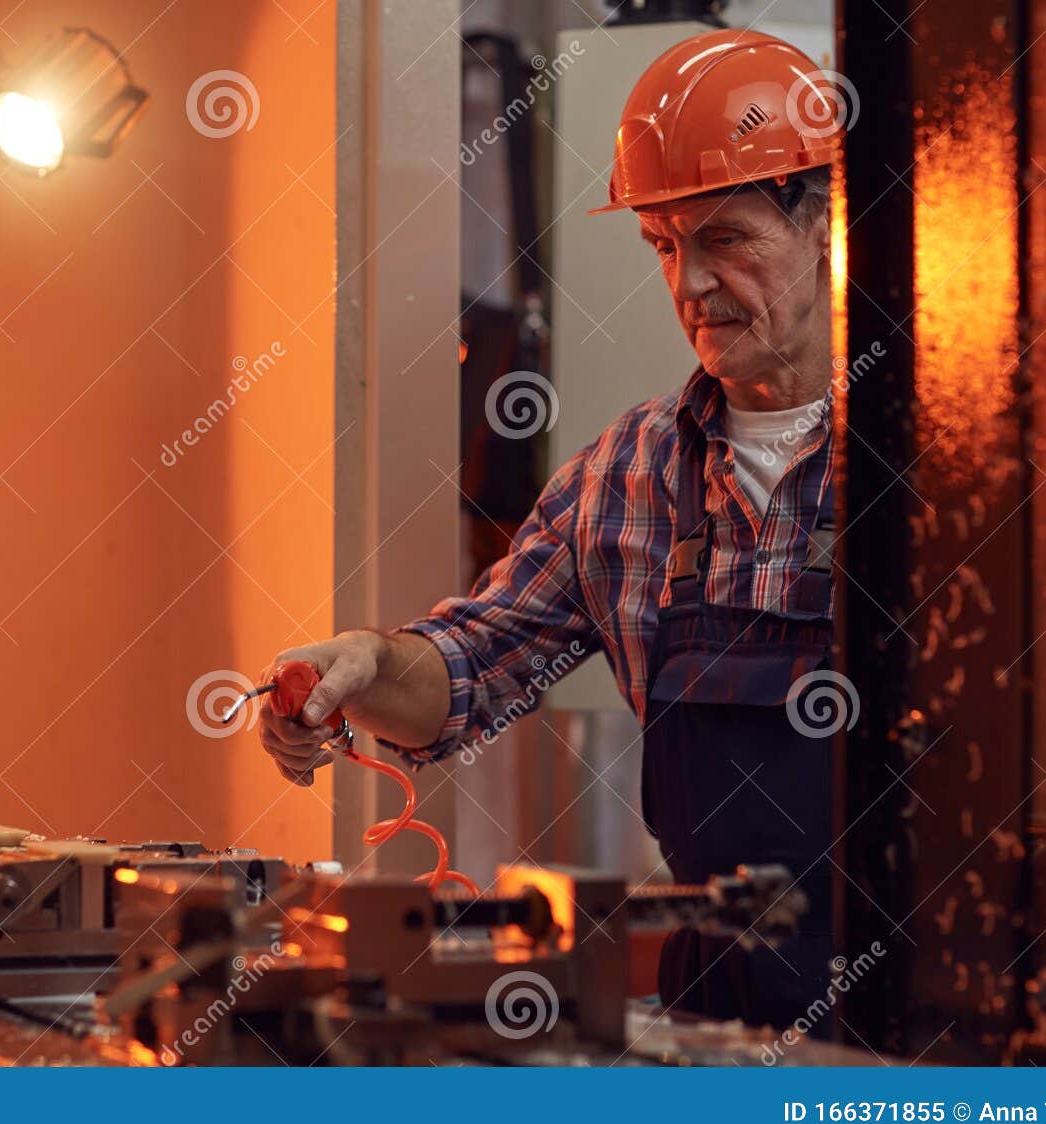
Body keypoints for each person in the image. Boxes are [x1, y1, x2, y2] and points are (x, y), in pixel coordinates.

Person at [257, 28, 842, 1028]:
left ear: (828, 221)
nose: (689, 284)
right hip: (723, 1016)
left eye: (726, 239)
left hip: (938, 1017)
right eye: (664, 245)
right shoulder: (629, 473)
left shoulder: (949, 463)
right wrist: (361, 663)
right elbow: (473, 665)